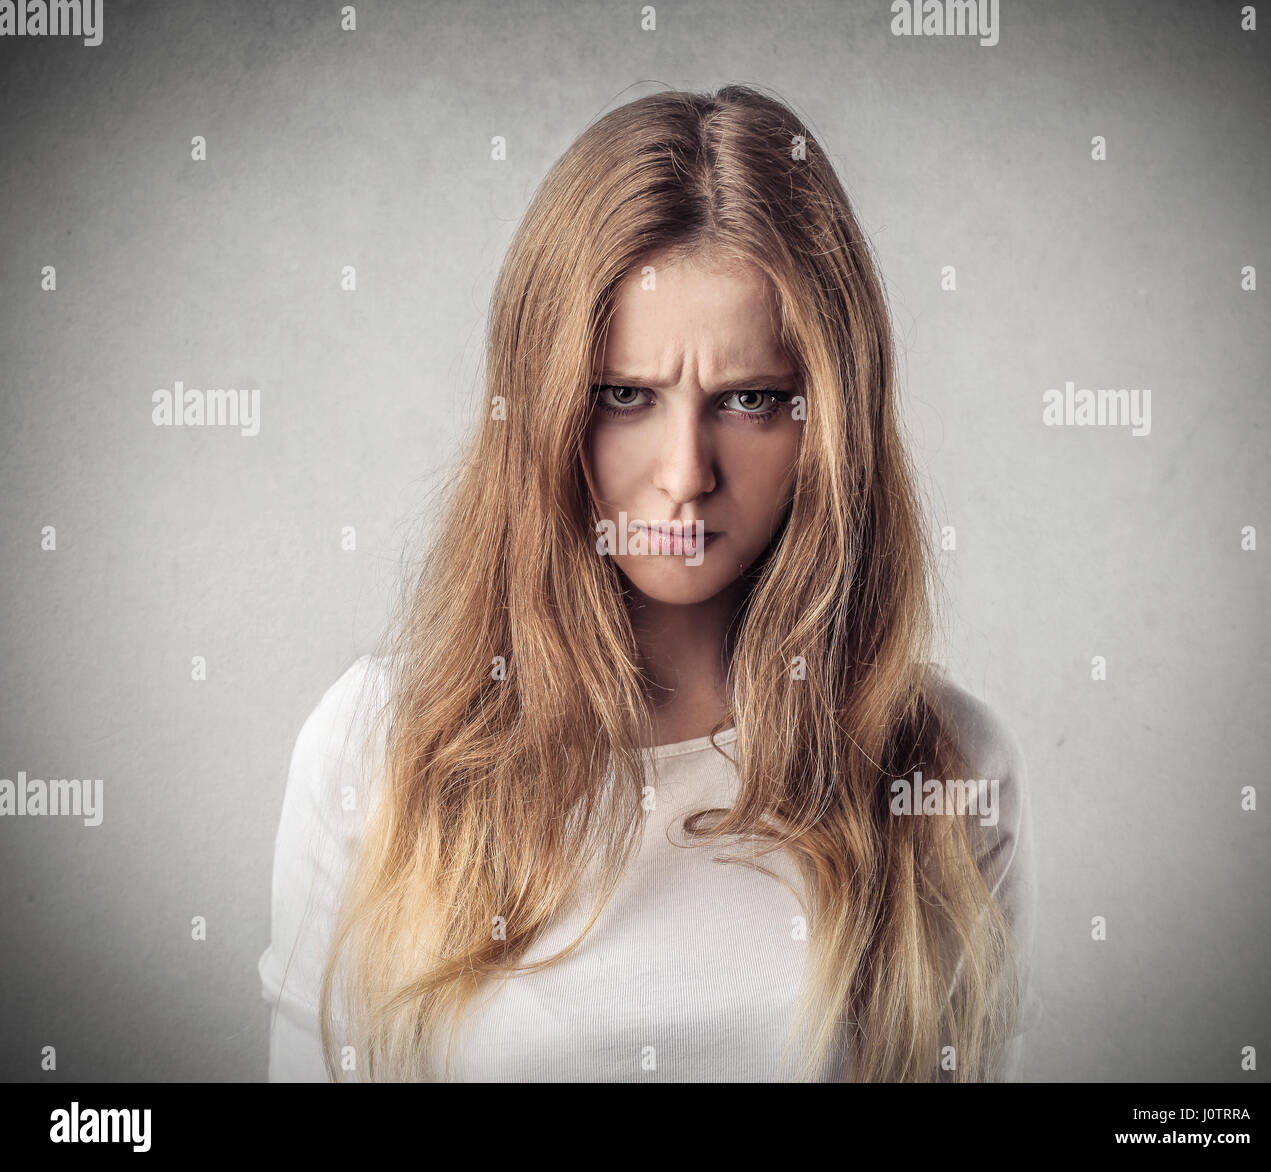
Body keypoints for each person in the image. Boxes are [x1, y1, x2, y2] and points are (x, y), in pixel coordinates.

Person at [259, 84, 1037, 1082]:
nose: (684, 471)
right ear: (541, 409)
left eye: (750, 399)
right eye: (625, 395)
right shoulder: (379, 748)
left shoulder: (947, 764)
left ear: (830, 422)